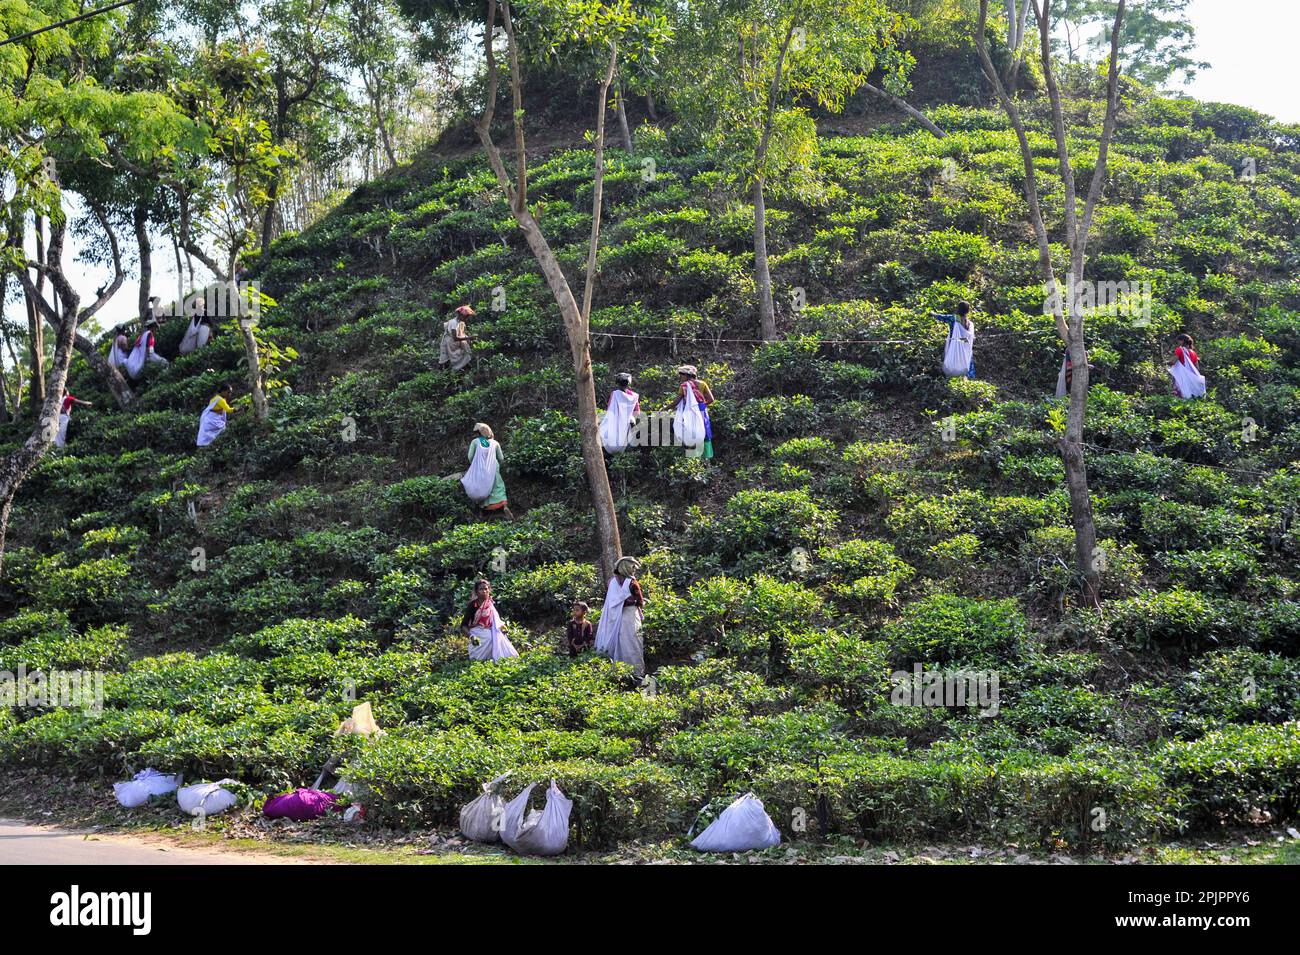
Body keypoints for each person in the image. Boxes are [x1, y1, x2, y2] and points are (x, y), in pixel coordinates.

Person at [595, 556, 646, 677]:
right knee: (632, 641)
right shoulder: (632, 583)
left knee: (621, 642)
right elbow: (640, 600)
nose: (634, 570)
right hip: (630, 616)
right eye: (632, 567)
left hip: (616, 617)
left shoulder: (611, 582)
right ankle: (636, 672)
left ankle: (620, 671)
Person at [459, 422, 512, 518]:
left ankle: (484, 510)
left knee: (481, 486)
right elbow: (501, 458)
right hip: (494, 467)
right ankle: (503, 506)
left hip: (480, 468)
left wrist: (476, 465)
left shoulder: (475, 442)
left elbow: (470, 457)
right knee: (497, 485)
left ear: (479, 433)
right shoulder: (495, 443)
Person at [460, 578, 519, 662]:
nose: (484, 591)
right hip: (476, 630)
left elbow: (496, 619)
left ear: (489, 590)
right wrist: (471, 636)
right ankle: (477, 660)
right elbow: (463, 625)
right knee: (488, 637)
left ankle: (491, 659)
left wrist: (502, 627)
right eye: (481, 589)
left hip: (489, 629)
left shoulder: (490, 603)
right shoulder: (473, 605)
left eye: (486, 589)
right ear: (477, 591)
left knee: (495, 637)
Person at [667, 365, 715, 459]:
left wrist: (665, 408)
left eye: (682, 375)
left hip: (689, 413)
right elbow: (711, 399)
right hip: (702, 411)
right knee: (704, 432)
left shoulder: (684, 386)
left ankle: (694, 460)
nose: (681, 377)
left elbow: (676, 402)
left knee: (691, 434)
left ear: (687, 375)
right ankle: (707, 459)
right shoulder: (702, 384)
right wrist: (701, 406)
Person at [599, 372, 640, 453]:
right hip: (629, 422)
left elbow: (610, 409)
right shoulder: (633, 396)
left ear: (618, 384)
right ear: (628, 384)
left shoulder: (615, 394)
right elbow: (637, 412)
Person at [934, 301, 976, 379]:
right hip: (964, 343)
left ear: (958, 309)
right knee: (966, 359)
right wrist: (961, 340)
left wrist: (932, 314)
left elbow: (942, 317)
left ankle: (952, 376)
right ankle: (967, 377)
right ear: (967, 311)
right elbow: (968, 338)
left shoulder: (954, 319)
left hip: (954, 342)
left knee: (952, 358)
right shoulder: (969, 323)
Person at [1168, 333, 1206, 399]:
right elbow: (1197, 368)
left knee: (1179, 395)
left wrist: (1166, 362)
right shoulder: (1193, 353)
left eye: (1178, 341)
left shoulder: (1179, 350)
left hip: (1181, 377)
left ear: (1182, 341)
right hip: (1190, 379)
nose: (1178, 343)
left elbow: (1172, 362)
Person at [439, 305, 474, 372]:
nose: (466, 318)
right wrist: (468, 338)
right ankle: (445, 375)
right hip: (449, 344)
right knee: (446, 360)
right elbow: (455, 337)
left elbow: (461, 333)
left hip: (455, 344)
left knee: (462, 356)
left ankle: (458, 372)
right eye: (465, 316)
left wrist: (467, 338)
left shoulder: (461, 323)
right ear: (460, 315)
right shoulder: (453, 323)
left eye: (467, 317)